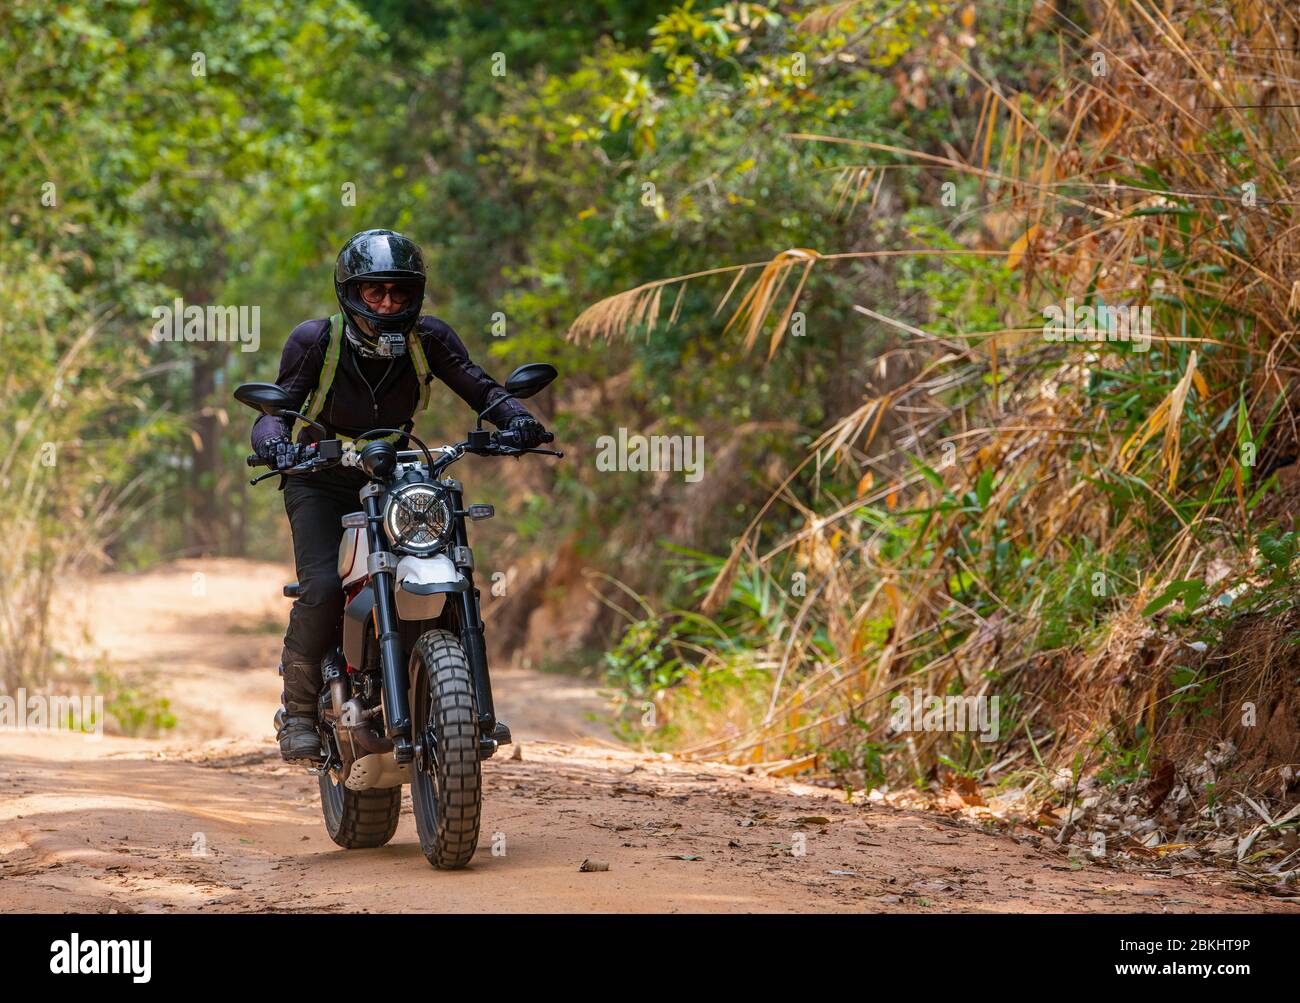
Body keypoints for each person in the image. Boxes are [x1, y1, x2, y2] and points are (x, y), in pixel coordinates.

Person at [251, 229, 549, 761]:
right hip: (321, 478)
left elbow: (481, 388)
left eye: (399, 292)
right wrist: (278, 449)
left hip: (398, 475)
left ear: (416, 295)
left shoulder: (428, 339)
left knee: (453, 565)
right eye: (375, 292)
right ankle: (297, 710)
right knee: (320, 586)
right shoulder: (316, 340)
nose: (388, 303)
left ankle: (463, 702)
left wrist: (518, 420)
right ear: (350, 291)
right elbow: (274, 412)